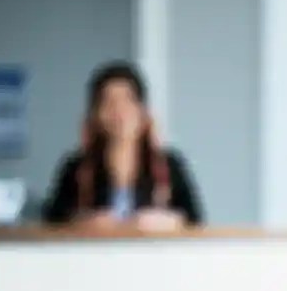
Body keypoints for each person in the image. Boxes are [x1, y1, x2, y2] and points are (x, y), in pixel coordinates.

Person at [44, 62, 203, 228]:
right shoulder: (76, 167)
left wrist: (165, 221)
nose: (118, 111)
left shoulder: (169, 164)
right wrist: (84, 223)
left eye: (127, 100)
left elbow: (196, 222)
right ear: (95, 114)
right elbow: (51, 222)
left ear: (142, 111)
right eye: (108, 102)